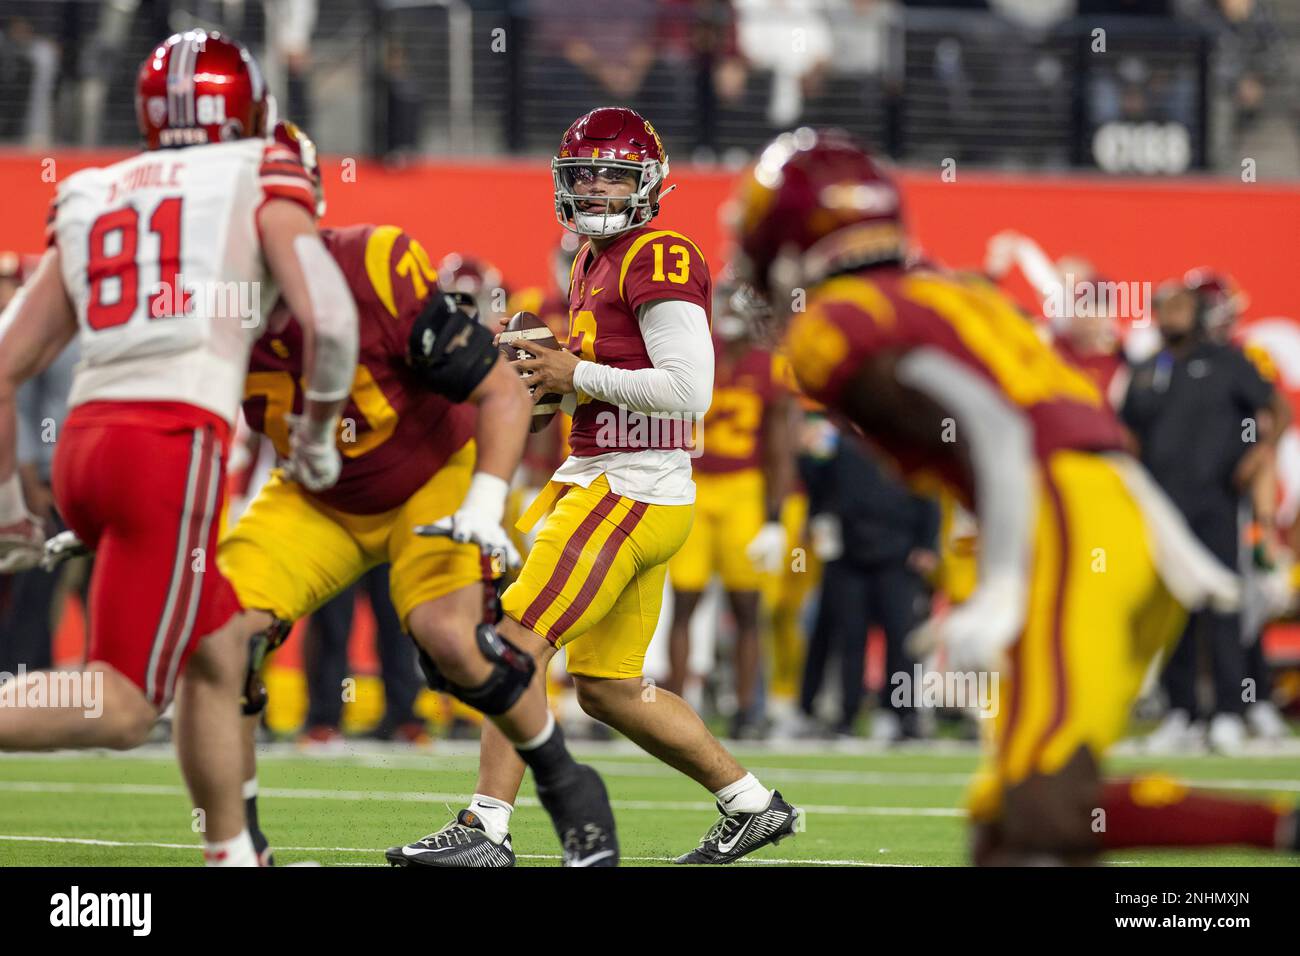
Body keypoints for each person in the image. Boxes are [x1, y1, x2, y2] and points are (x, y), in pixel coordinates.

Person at [732, 126, 1299, 864]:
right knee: (1007, 832)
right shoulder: (942, 290)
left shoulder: (838, 325)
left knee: (1044, 808)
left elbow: (993, 428)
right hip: (1102, 505)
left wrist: (1000, 580)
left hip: (1058, 514)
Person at [391, 107, 803, 867]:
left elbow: (689, 388)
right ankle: (751, 804)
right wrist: (553, 380)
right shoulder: (589, 260)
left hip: (627, 486)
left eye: (614, 173)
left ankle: (484, 830)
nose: (597, 187)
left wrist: (570, 373)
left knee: (509, 647)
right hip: (629, 485)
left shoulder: (659, 254)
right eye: (585, 173)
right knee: (610, 687)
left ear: (648, 182)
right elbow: (613, 380)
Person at [0, 31, 360, 867]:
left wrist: (11, 511)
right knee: (124, 706)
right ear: (251, 106)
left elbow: (7, 364)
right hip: (168, 441)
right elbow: (332, 319)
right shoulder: (255, 168)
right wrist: (314, 438)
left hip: (87, 445)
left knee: (220, 648)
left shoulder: (95, 188)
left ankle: (233, 854)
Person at [218, 122, 619, 867]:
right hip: (316, 493)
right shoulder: (201, 300)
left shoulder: (371, 261)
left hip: (427, 472)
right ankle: (237, 850)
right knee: (220, 641)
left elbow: (500, 390)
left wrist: (483, 501)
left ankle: (568, 788)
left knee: (453, 645)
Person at [1124, 270, 1288, 753]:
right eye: (1164, 308)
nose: (1171, 316)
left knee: (1224, 605)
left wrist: (1260, 453)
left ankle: (1230, 712)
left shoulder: (1228, 362)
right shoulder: (1149, 369)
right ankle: (1182, 712)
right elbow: (1128, 429)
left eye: (1180, 308)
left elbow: (1276, 408)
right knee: (1174, 608)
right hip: (1163, 509)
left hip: (1216, 502)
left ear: (1197, 315)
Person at [665, 279, 796, 738]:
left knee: (746, 604)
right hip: (695, 483)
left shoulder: (768, 366)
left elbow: (780, 449)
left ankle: (746, 710)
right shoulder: (697, 353)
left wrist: (775, 518)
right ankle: (675, 706)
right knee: (684, 601)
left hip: (743, 486)